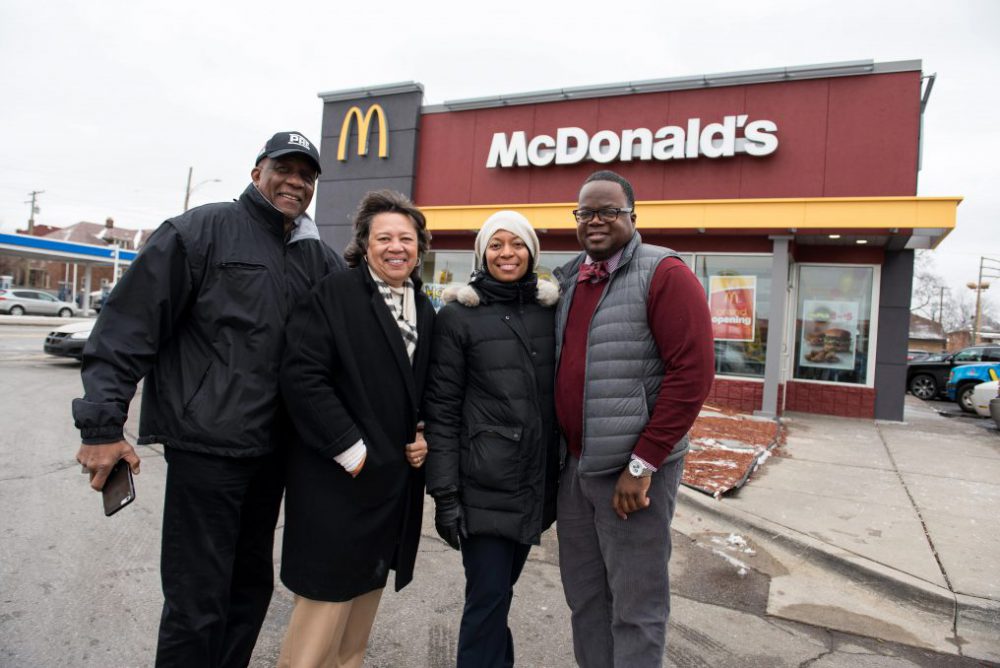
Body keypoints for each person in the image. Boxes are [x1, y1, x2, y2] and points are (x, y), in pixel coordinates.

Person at [72, 131, 344, 667]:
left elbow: (351, 346)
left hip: (274, 456)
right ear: (256, 173)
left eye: (307, 175)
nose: (296, 182)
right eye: (284, 169)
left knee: (248, 593)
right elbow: (126, 330)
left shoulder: (317, 257)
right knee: (197, 600)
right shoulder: (199, 232)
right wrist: (103, 426)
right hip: (207, 449)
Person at [553, 170, 715, 667]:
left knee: (636, 608)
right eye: (585, 212)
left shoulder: (664, 273)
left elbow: (692, 375)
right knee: (585, 601)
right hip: (575, 470)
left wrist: (642, 465)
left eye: (608, 211)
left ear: (632, 217)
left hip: (631, 477)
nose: (595, 221)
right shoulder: (567, 278)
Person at [276, 190, 435, 668]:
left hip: (390, 487)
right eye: (383, 237)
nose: (396, 247)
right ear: (364, 245)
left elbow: (416, 389)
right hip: (336, 480)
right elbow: (302, 375)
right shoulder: (335, 294)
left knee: (361, 613)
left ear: (419, 247)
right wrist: (351, 450)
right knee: (323, 611)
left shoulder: (422, 309)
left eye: (406, 238)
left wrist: (422, 432)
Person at [423, 211, 561, 668]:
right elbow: (441, 411)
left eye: (517, 244)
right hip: (483, 485)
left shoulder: (549, 311)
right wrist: (445, 493)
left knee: (498, 597)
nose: (507, 253)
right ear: (482, 254)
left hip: (534, 486)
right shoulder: (459, 316)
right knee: (485, 603)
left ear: (532, 252)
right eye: (496, 244)